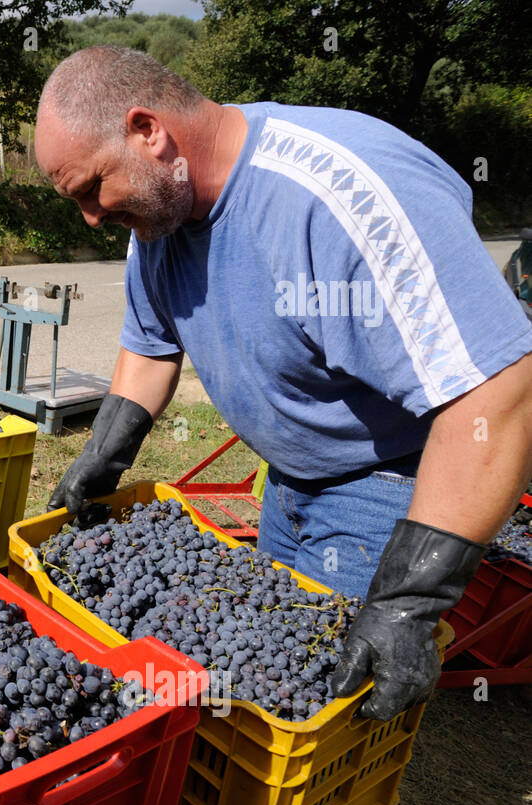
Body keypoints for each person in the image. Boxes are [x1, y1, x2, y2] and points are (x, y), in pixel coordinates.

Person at [34, 46, 532, 721]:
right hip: (288, 477)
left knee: (321, 706)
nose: (90, 216)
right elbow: (150, 344)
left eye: (92, 189)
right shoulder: (158, 213)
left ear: (147, 131)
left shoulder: (342, 194)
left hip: (391, 487)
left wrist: (408, 603)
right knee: (259, 680)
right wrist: (103, 456)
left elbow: (499, 390)